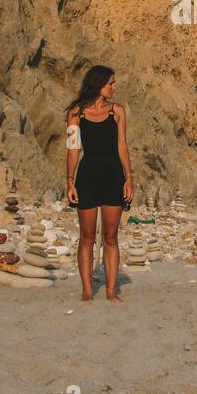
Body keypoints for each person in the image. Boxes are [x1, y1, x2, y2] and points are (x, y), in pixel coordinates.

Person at [65, 65, 134, 302]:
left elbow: (122, 147)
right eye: (111, 83)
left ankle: (111, 290)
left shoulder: (118, 112)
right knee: (86, 237)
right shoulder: (75, 113)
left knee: (111, 237)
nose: (115, 87)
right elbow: (73, 150)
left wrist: (129, 179)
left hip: (113, 176)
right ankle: (86, 290)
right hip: (87, 177)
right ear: (98, 84)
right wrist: (70, 182)